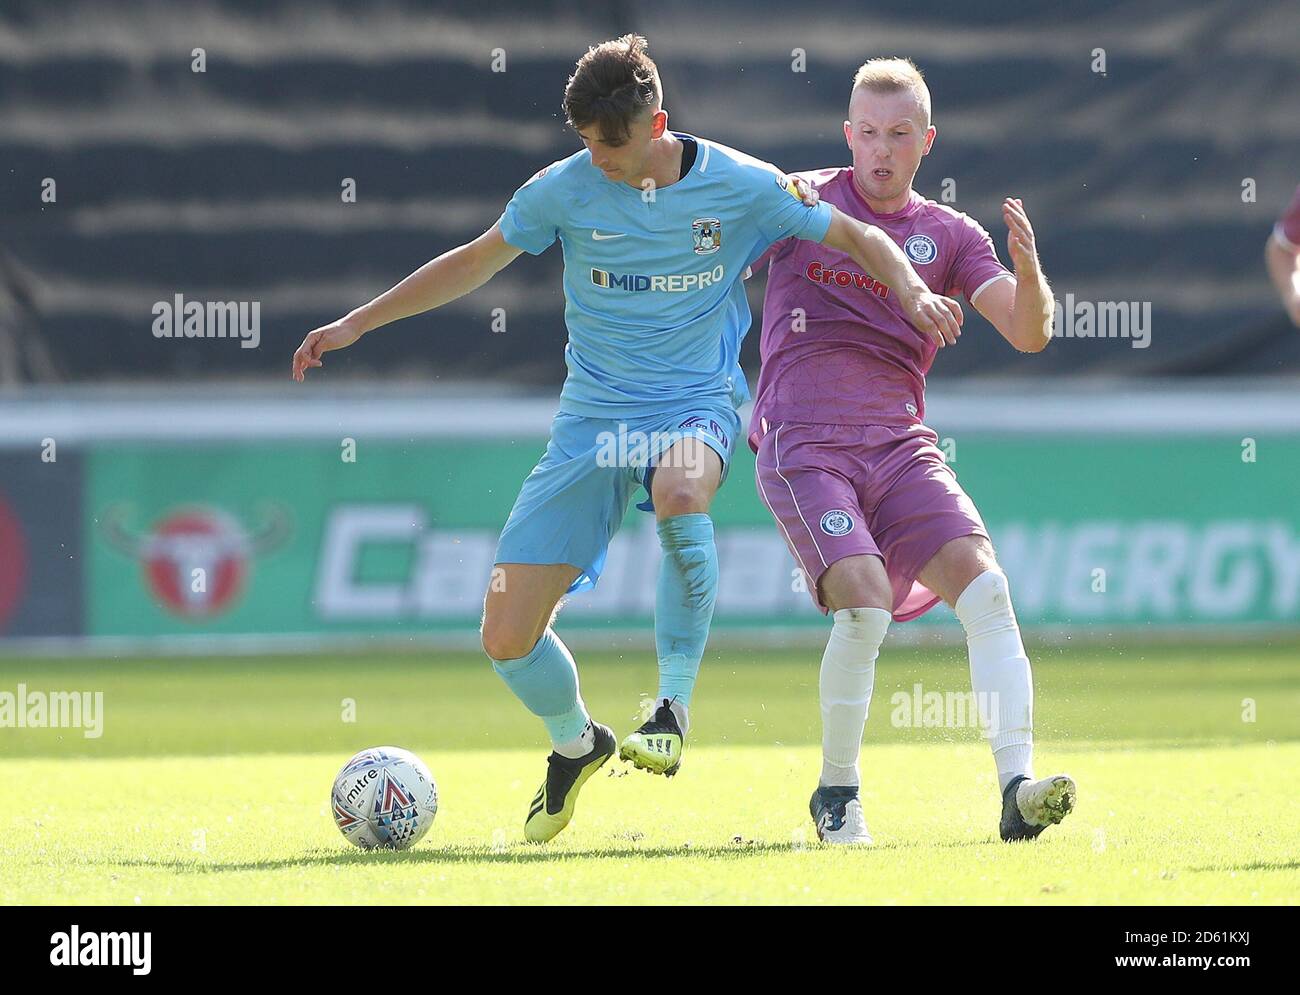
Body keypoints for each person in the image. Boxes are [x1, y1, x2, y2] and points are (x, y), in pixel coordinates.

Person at [292, 36, 960, 843]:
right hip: (592, 419)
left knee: (682, 489)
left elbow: (856, 235)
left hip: (695, 403)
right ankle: (577, 743)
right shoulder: (565, 188)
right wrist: (357, 322)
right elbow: (473, 262)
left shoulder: (742, 186)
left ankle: (671, 703)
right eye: (587, 145)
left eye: (613, 145)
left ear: (658, 123)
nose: (599, 161)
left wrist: (916, 289)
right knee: (505, 635)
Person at [748, 58, 1075, 844]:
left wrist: (1031, 276)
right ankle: (837, 793)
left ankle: (1015, 787)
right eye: (867, 133)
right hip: (804, 445)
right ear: (846, 134)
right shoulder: (799, 201)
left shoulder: (950, 236)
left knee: (988, 591)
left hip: (899, 448)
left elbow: (1030, 331)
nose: (881, 149)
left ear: (927, 141)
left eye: (899, 134)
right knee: (865, 606)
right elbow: (708, 255)